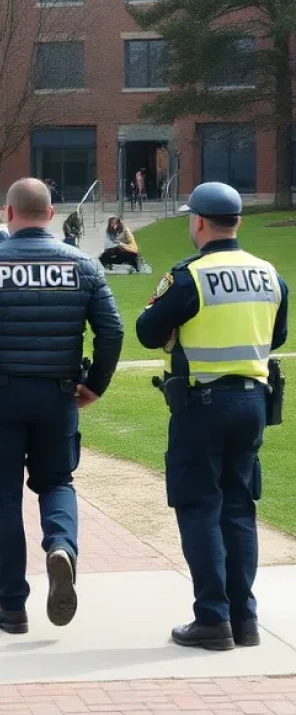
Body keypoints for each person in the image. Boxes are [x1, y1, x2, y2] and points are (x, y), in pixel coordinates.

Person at [0, 178, 124, 635]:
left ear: (8, 214)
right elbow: (112, 330)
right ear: (50, 214)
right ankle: (61, 546)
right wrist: (95, 385)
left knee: (4, 498)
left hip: (1, 396)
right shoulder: (82, 265)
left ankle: (11, 605)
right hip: (58, 395)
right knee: (57, 482)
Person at [136, 181, 288, 651]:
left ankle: (212, 618)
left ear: (199, 222)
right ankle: (245, 619)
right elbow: (277, 336)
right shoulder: (269, 274)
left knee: (200, 505)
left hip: (201, 404)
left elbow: (147, 332)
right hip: (253, 402)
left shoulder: (190, 277)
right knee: (239, 507)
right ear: (237, 221)